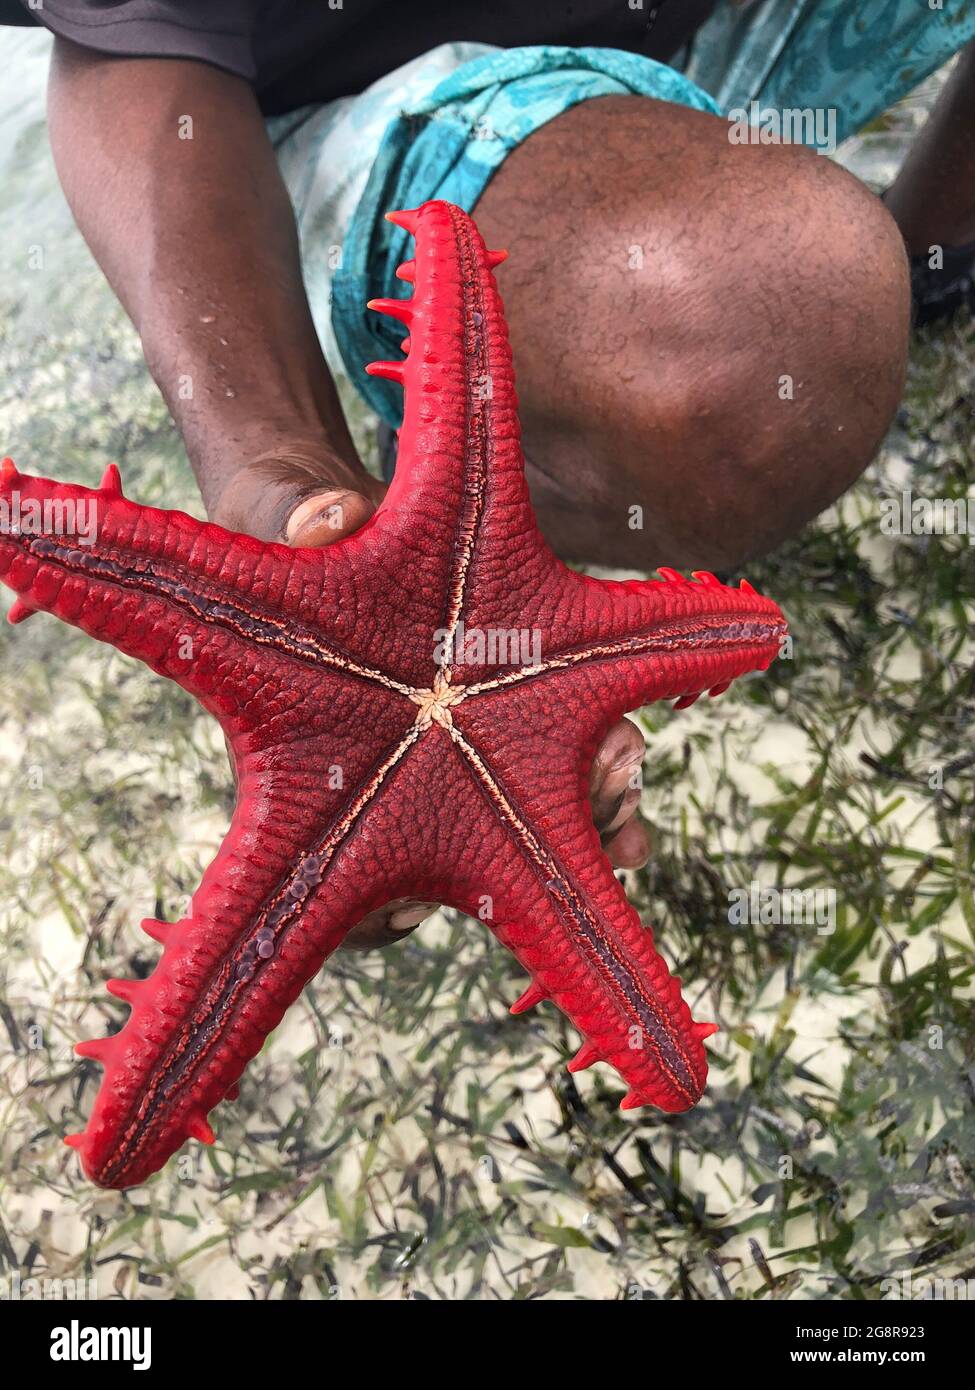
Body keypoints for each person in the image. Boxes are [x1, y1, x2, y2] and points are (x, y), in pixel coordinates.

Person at [2, 1, 973, 945]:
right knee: (767, 332)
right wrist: (275, 454)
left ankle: (930, 266)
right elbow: (130, 35)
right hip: (358, 86)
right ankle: (457, 489)